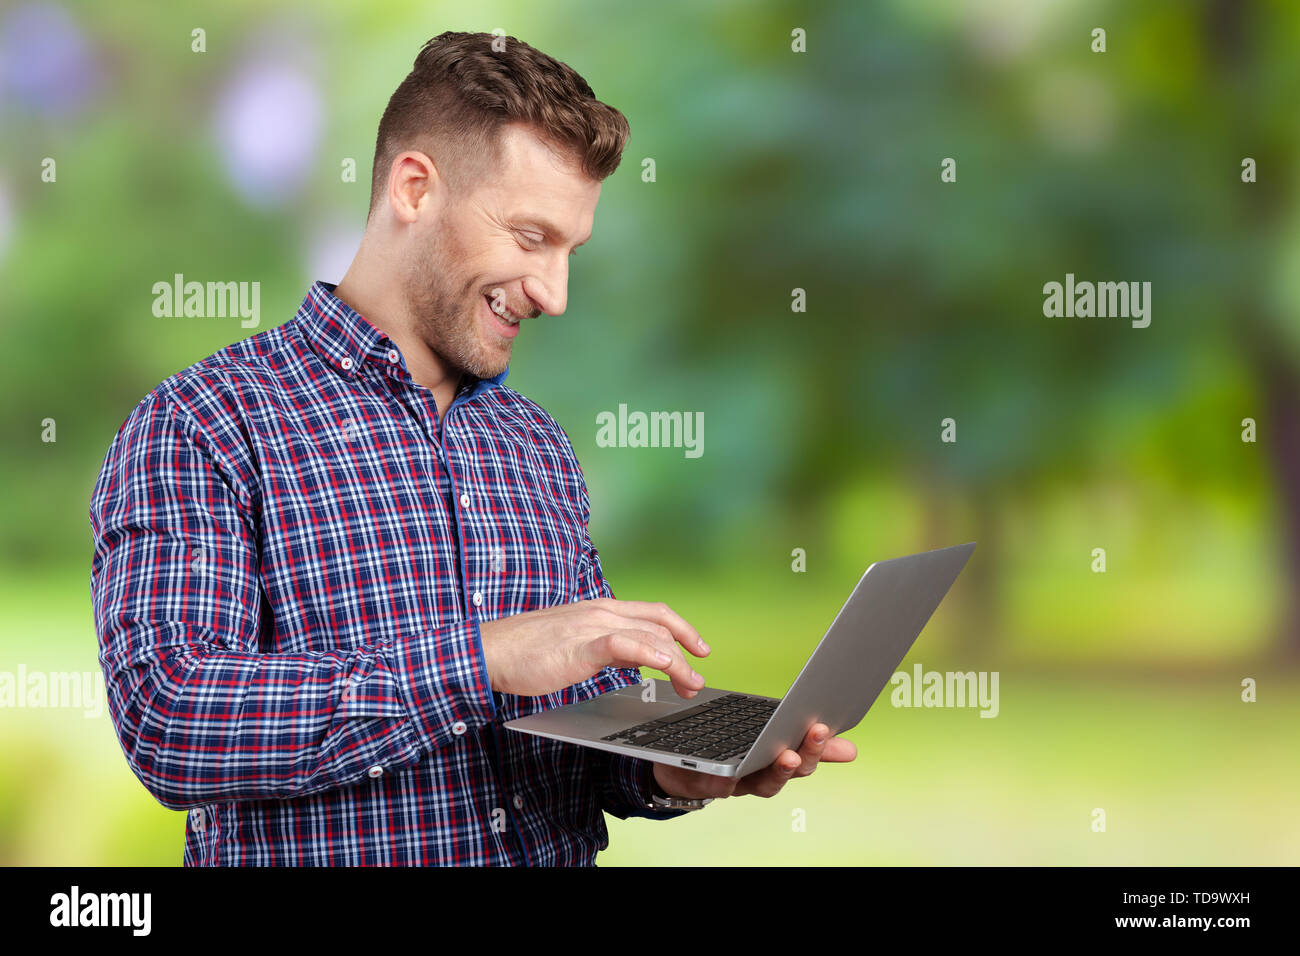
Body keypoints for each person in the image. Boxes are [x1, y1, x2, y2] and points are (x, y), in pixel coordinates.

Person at [88, 30, 854, 866]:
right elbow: (173, 722)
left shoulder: (533, 445)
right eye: (530, 238)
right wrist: (483, 660)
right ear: (415, 187)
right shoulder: (205, 424)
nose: (554, 294)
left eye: (570, 251)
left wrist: (673, 773)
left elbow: (571, 733)